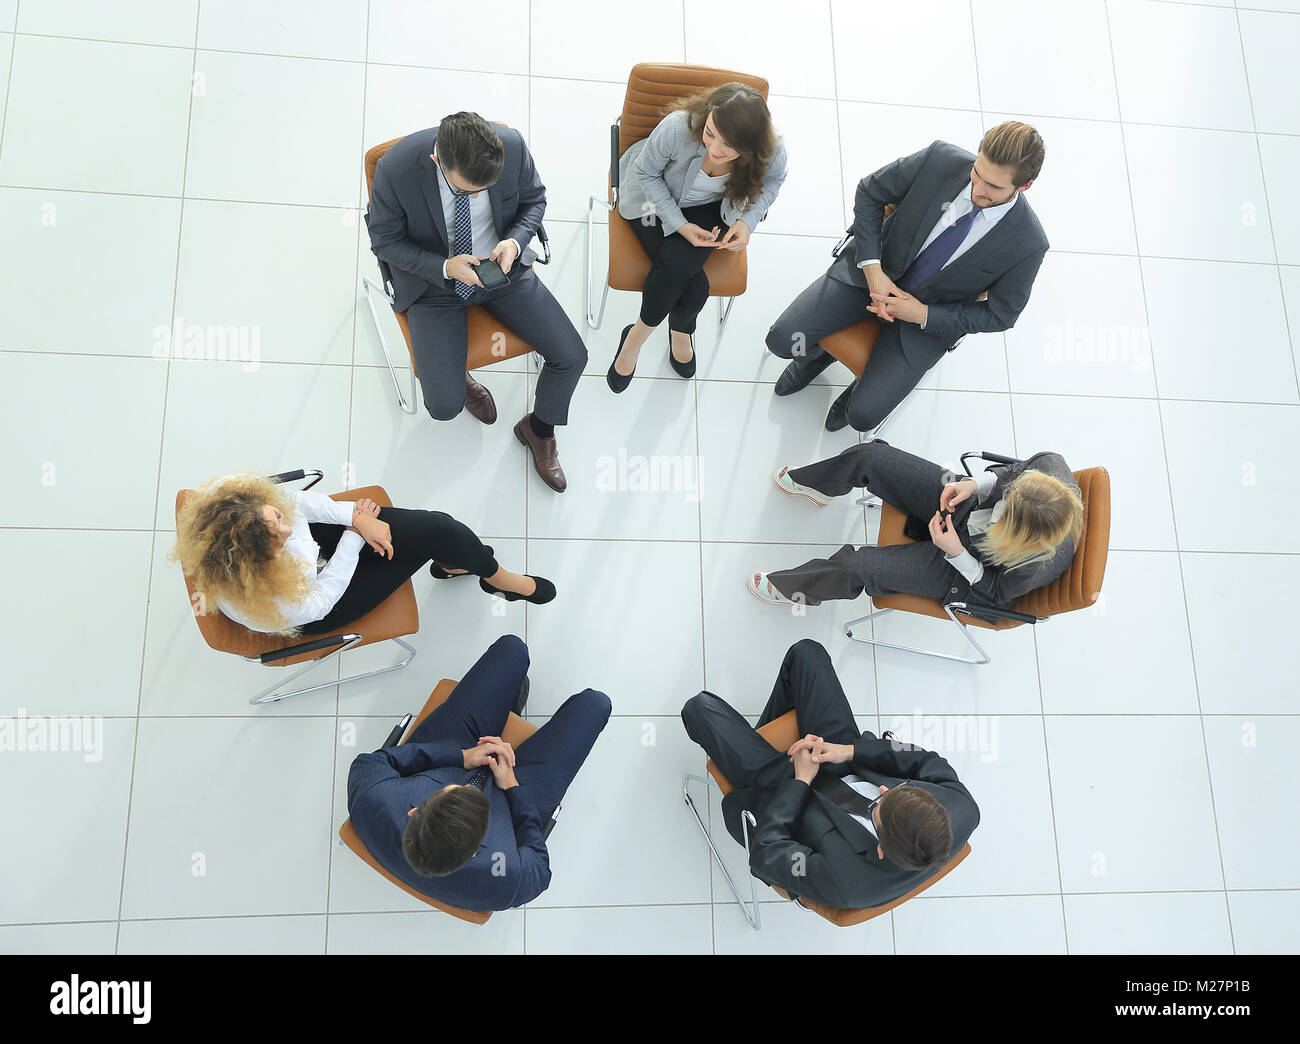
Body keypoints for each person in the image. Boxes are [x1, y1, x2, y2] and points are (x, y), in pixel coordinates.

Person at [766, 121, 1048, 432]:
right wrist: (873, 270)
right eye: (977, 174)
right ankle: (818, 356)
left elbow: (1001, 315)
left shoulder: (1028, 243)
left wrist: (922, 313)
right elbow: (870, 191)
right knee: (782, 342)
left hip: (924, 324)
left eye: (993, 187)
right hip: (870, 276)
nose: (978, 190)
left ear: (1025, 186)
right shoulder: (941, 159)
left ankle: (859, 389)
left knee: (862, 417)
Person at [367, 111, 587, 493]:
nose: (477, 197)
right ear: (438, 162)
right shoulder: (396, 168)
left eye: (486, 189)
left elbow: (534, 200)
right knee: (443, 408)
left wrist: (515, 241)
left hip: (500, 268)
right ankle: (458, 378)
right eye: (467, 192)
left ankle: (539, 430)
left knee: (572, 356)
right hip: (434, 282)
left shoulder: (512, 145)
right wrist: (445, 267)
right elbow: (384, 242)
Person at [682, 639, 979, 909]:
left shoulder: (848, 883)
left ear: (879, 849)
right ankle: (765, 743)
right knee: (806, 653)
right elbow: (920, 758)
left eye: (878, 806)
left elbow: (766, 854)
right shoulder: (962, 809)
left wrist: (799, 782)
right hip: (842, 759)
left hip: (782, 796)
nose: (882, 790)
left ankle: (761, 750)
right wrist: (849, 751)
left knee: (699, 709)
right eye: (899, 789)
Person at [347, 634, 611, 911]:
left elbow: (374, 762)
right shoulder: (506, 880)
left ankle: (504, 705)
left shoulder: (372, 799)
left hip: (449, 756)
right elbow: (538, 865)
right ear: (475, 851)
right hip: (512, 803)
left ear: (415, 810)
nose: (470, 788)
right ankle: (506, 707)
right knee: (596, 704)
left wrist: (461, 756)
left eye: (453, 792)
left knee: (513, 649)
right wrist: (512, 789)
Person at [172, 473, 555, 638]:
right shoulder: (275, 598)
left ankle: (489, 572)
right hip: (320, 599)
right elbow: (320, 599)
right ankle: (481, 571)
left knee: (438, 528)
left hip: (321, 550)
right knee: (421, 543)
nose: (286, 530)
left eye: (275, 519)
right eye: (276, 540)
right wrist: (354, 537)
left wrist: (354, 517)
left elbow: (298, 504)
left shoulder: (239, 501)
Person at [750, 440, 1082, 610]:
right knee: (872, 457)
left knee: (857, 566)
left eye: (1002, 518)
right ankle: (819, 486)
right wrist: (977, 486)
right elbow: (1011, 472)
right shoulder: (1049, 465)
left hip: (974, 567)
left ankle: (795, 591)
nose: (997, 512)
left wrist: (955, 553)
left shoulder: (1033, 564)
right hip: (969, 502)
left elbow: (995, 593)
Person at [608, 82, 788, 391]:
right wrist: (679, 225)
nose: (714, 149)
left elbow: (772, 183)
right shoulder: (677, 128)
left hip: (712, 207)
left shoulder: (771, 151)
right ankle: (657, 334)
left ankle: (645, 335)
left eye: (729, 145)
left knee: (680, 271)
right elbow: (646, 173)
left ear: (751, 145)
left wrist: (746, 223)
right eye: (710, 133)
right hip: (653, 200)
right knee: (693, 283)